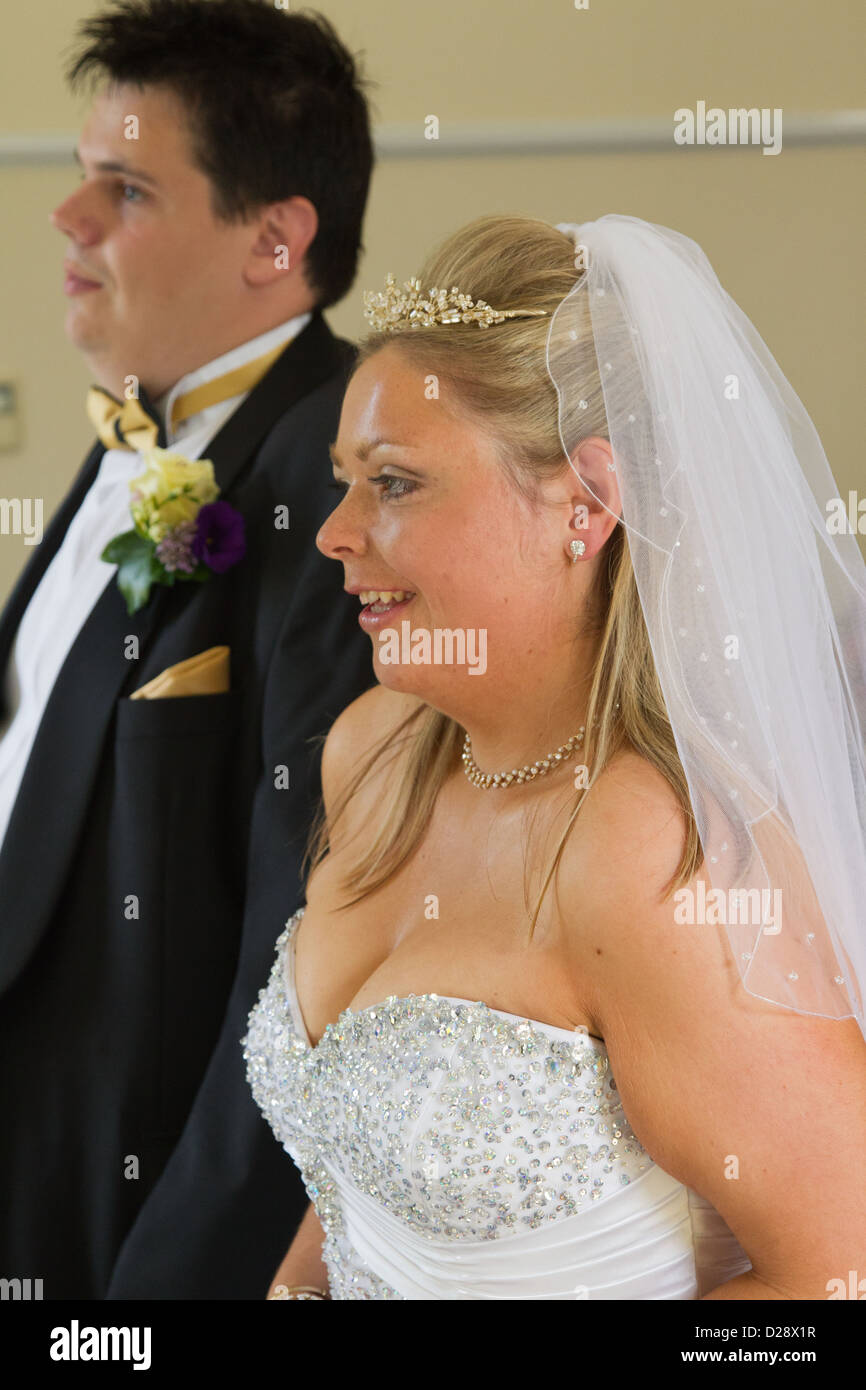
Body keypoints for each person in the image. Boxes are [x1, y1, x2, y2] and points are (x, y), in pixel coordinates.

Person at [243, 213, 866, 1299]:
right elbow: (352, 1159)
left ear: (584, 501)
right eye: (342, 480)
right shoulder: (374, 757)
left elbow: (840, 1275)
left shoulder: (655, 855)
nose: (334, 533)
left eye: (392, 482)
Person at [0, 0, 377, 1299]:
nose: (69, 220)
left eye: (126, 189)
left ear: (274, 237)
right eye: (77, 179)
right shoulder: (143, 437)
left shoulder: (335, 481)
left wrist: (170, 1289)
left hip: (137, 1209)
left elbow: (304, 942)